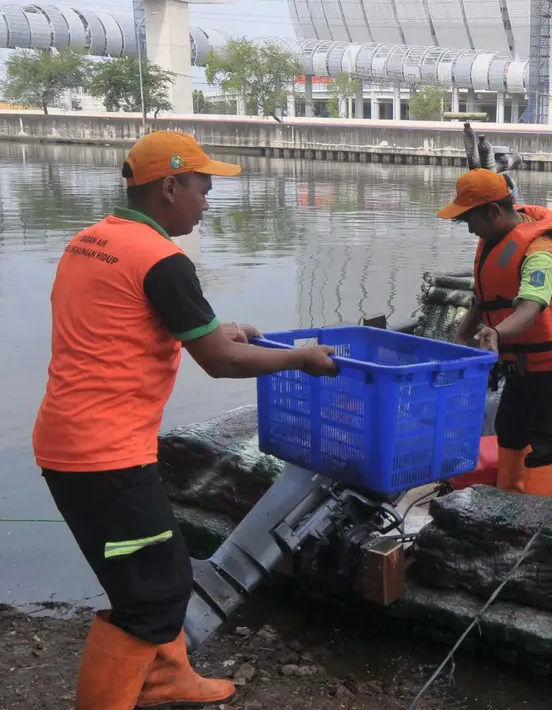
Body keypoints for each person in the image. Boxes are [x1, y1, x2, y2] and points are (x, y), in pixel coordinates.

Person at [31, 131, 338, 710]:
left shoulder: (92, 240)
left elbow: (144, 325)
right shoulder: (164, 260)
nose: (207, 199)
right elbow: (220, 363)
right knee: (152, 595)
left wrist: (224, 330)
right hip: (104, 455)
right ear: (169, 186)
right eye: (203, 185)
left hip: (70, 439)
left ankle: (170, 676)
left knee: (159, 568)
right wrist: (300, 358)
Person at [439, 169, 552, 497]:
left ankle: (532, 514)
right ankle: (506, 499)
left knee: (546, 440)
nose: (469, 229)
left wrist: (495, 333)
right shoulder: (495, 237)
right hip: (518, 361)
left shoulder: (540, 249)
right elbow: (484, 297)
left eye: (470, 220)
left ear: (493, 212)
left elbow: (529, 308)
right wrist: (462, 334)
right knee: (508, 428)